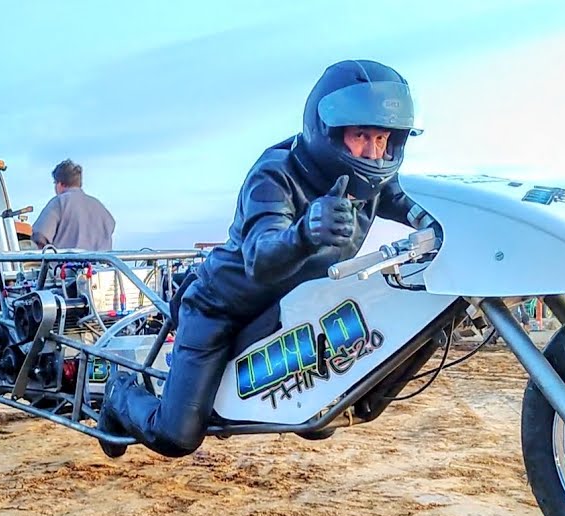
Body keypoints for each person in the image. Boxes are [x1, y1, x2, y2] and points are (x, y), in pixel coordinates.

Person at [96, 59, 442, 458]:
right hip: (220, 308)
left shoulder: (378, 181)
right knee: (177, 436)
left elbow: (417, 206)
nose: (373, 151)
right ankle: (119, 395)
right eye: (361, 135)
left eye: (382, 139)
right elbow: (260, 257)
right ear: (328, 130)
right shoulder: (276, 174)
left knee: (341, 404)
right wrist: (305, 233)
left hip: (287, 311)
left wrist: (458, 222)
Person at [30, 159, 116, 251]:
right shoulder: (101, 209)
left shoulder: (59, 202)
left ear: (60, 184)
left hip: (65, 264)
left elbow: (40, 237)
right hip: (100, 264)